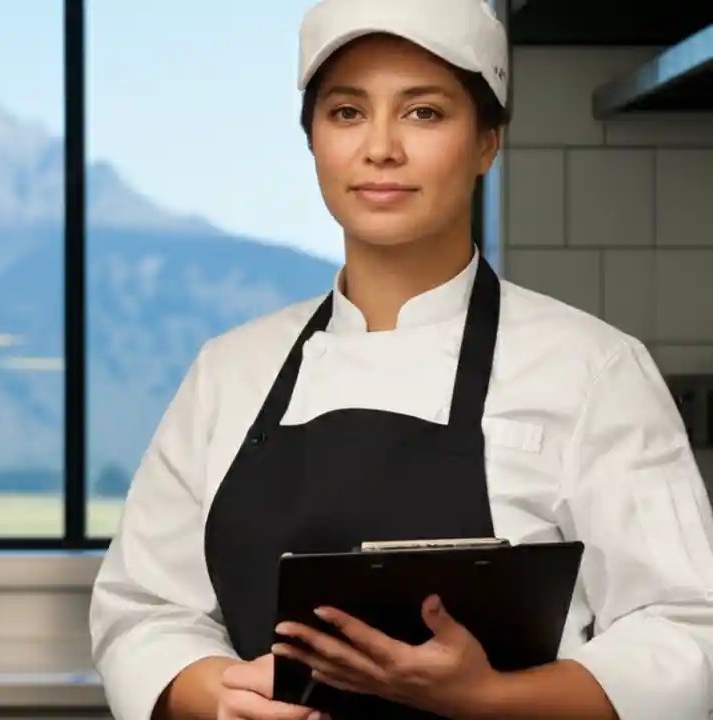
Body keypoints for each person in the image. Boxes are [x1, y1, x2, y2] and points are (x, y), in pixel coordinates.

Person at [87, 0, 713, 718]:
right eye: (347, 113)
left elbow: (686, 629)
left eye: (423, 113)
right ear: (313, 139)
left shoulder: (592, 368)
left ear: (487, 142)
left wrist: (490, 698)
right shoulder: (230, 370)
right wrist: (219, 697)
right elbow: (144, 607)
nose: (380, 147)